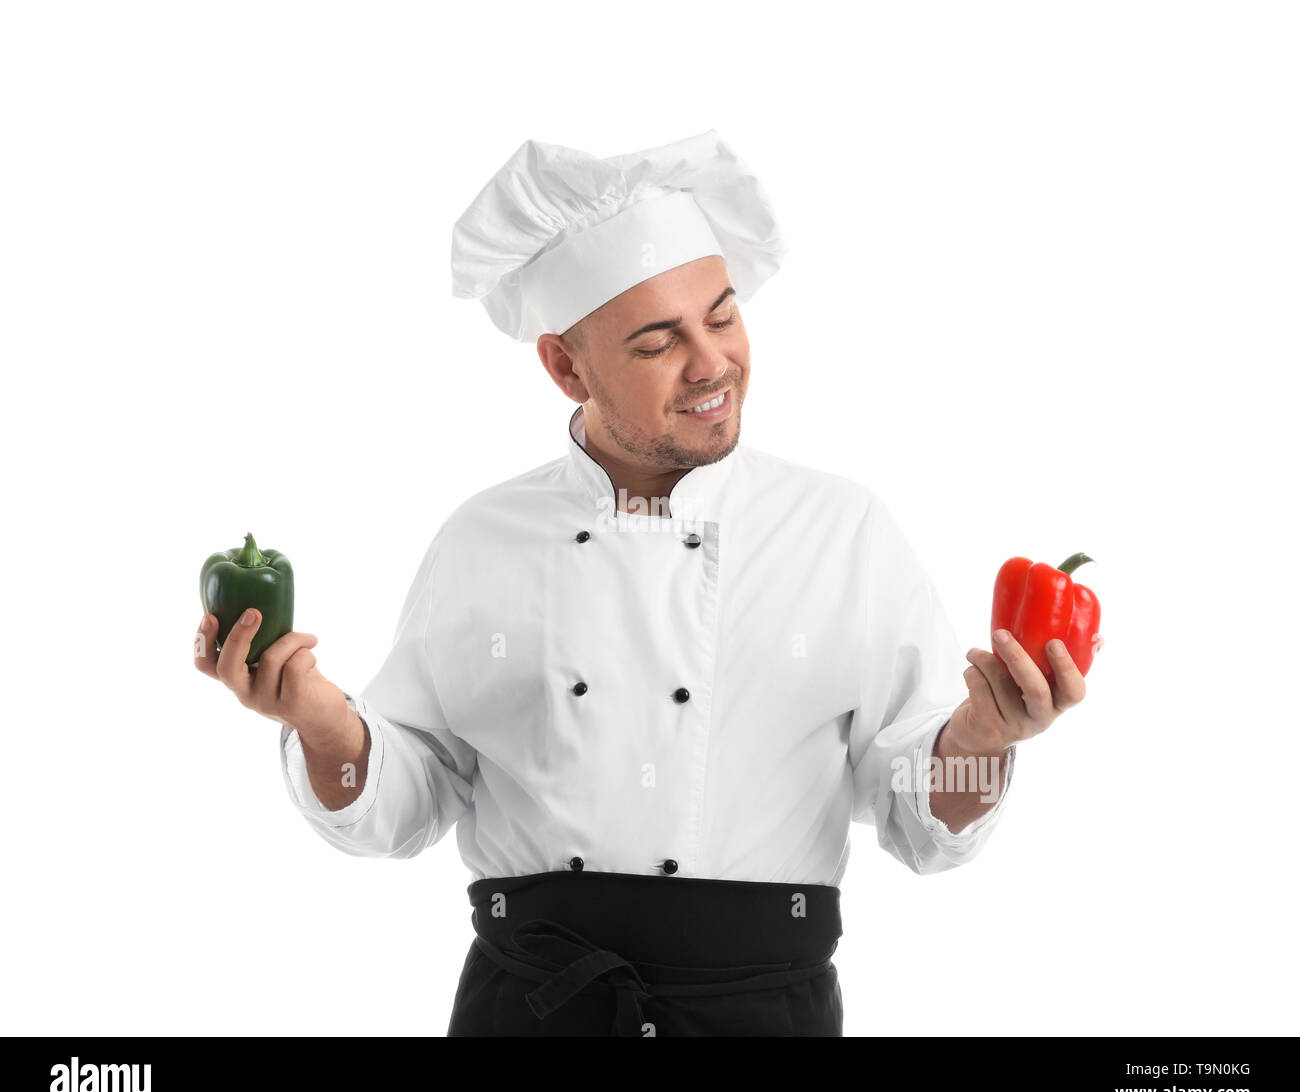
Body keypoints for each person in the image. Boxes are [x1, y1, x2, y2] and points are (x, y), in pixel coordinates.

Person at [194, 129, 1090, 1036]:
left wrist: (980, 734)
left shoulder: (842, 531)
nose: (712, 364)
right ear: (564, 366)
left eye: (723, 315)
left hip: (757, 1012)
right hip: (532, 1008)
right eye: (660, 341)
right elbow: (404, 796)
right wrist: (317, 718)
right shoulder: (483, 539)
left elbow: (922, 821)